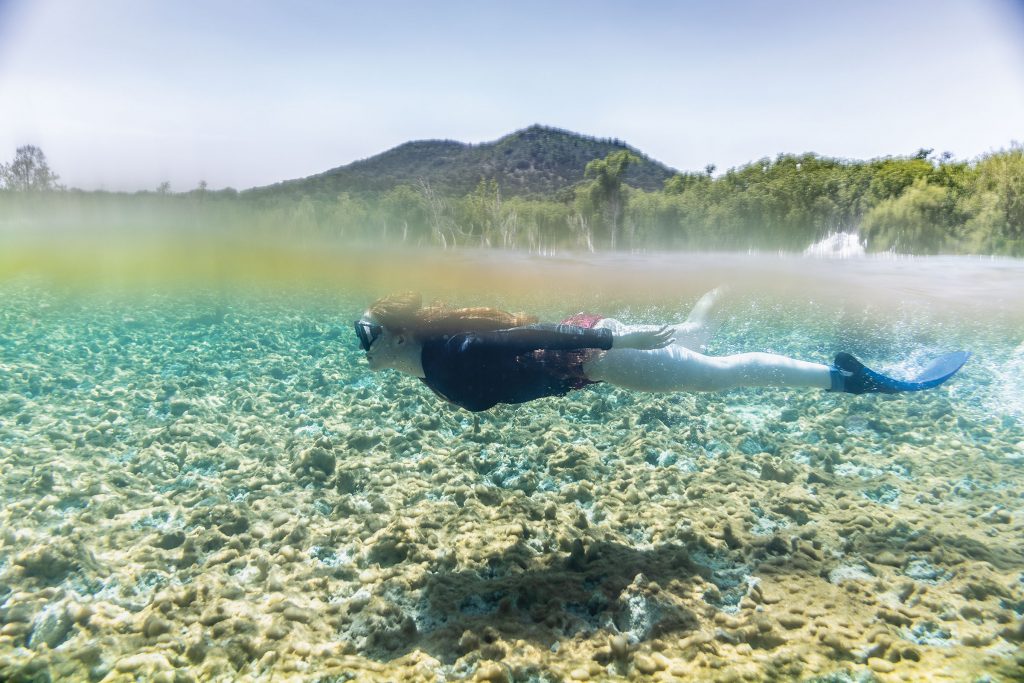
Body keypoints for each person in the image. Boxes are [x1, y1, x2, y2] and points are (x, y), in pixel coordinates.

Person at [353, 290, 968, 413]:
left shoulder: (449, 351)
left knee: (724, 377)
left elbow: (526, 337)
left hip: (603, 360)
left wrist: (617, 341)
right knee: (695, 356)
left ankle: (858, 379)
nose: (362, 348)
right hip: (600, 357)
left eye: (366, 335)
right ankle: (704, 307)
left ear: (399, 334)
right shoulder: (433, 356)